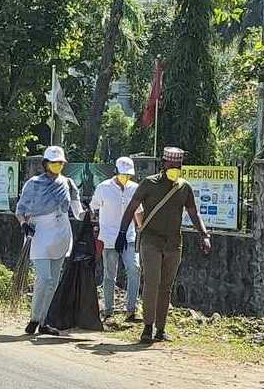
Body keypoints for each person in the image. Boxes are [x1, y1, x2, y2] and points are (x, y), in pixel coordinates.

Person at [115, 147, 212, 343]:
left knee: (166, 287)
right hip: (151, 241)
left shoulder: (184, 187)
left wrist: (204, 235)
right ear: (163, 164)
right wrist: (122, 232)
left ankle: (160, 329)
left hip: (174, 243)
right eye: (172, 164)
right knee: (152, 283)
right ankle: (147, 327)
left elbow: (194, 213)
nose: (175, 168)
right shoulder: (149, 183)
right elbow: (131, 208)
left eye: (179, 165)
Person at [15, 145, 84, 336]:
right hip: (39, 233)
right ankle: (34, 318)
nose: (57, 166)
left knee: (53, 281)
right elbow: (20, 210)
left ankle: (44, 321)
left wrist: (90, 216)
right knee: (44, 278)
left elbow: (78, 212)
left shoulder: (68, 183)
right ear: (45, 164)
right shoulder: (33, 184)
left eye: (60, 163)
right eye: (54, 163)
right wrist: (23, 224)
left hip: (61, 233)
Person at [91, 157, 144, 321]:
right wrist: (94, 229)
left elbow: (138, 212)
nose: (125, 178)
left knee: (134, 269)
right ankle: (108, 310)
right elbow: (93, 208)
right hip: (109, 238)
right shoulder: (103, 188)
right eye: (122, 175)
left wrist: (142, 229)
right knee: (109, 274)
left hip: (128, 237)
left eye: (128, 175)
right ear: (115, 172)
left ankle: (131, 310)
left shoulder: (135, 188)